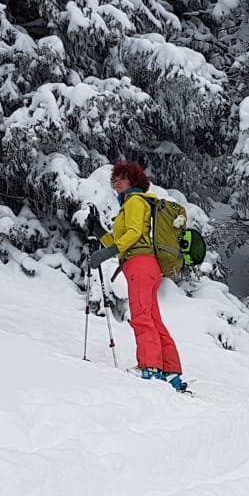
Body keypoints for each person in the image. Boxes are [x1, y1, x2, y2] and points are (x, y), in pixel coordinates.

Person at [84, 161, 186, 392]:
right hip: (146, 265)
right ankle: (171, 371)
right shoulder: (134, 203)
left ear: (134, 180)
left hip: (140, 264)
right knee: (152, 318)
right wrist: (99, 232)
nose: (116, 182)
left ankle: (149, 368)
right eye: (114, 179)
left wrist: (105, 254)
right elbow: (126, 238)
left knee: (141, 316)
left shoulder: (135, 201)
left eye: (121, 177)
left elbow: (134, 234)